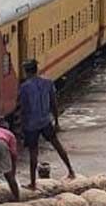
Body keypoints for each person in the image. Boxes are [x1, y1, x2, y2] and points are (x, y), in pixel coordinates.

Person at [18, 59, 75, 187]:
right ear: (36, 70)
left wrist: (21, 127)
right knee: (57, 145)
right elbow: (54, 103)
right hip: (45, 121)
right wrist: (56, 121)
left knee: (33, 152)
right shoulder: (47, 83)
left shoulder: (24, 88)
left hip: (31, 124)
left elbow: (23, 108)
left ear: (26, 71)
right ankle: (71, 171)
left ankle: (32, 183)